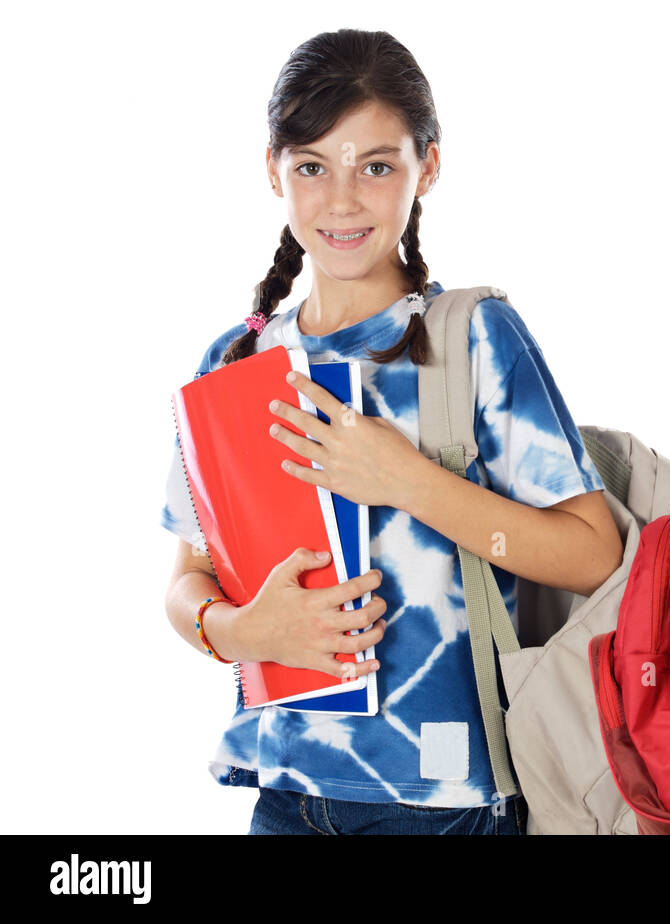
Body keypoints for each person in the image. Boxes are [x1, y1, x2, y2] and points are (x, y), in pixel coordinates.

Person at [160, 29, 622, 835]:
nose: (342, 201)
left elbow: (592, 555)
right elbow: (187, 580)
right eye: (312, 166)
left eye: (376, 166)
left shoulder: (474, 335)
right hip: (286, 786)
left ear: (427, 167)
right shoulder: (234, 362)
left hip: (445, 800)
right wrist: (240, 630)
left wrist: (406, 480)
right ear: (274, 170)